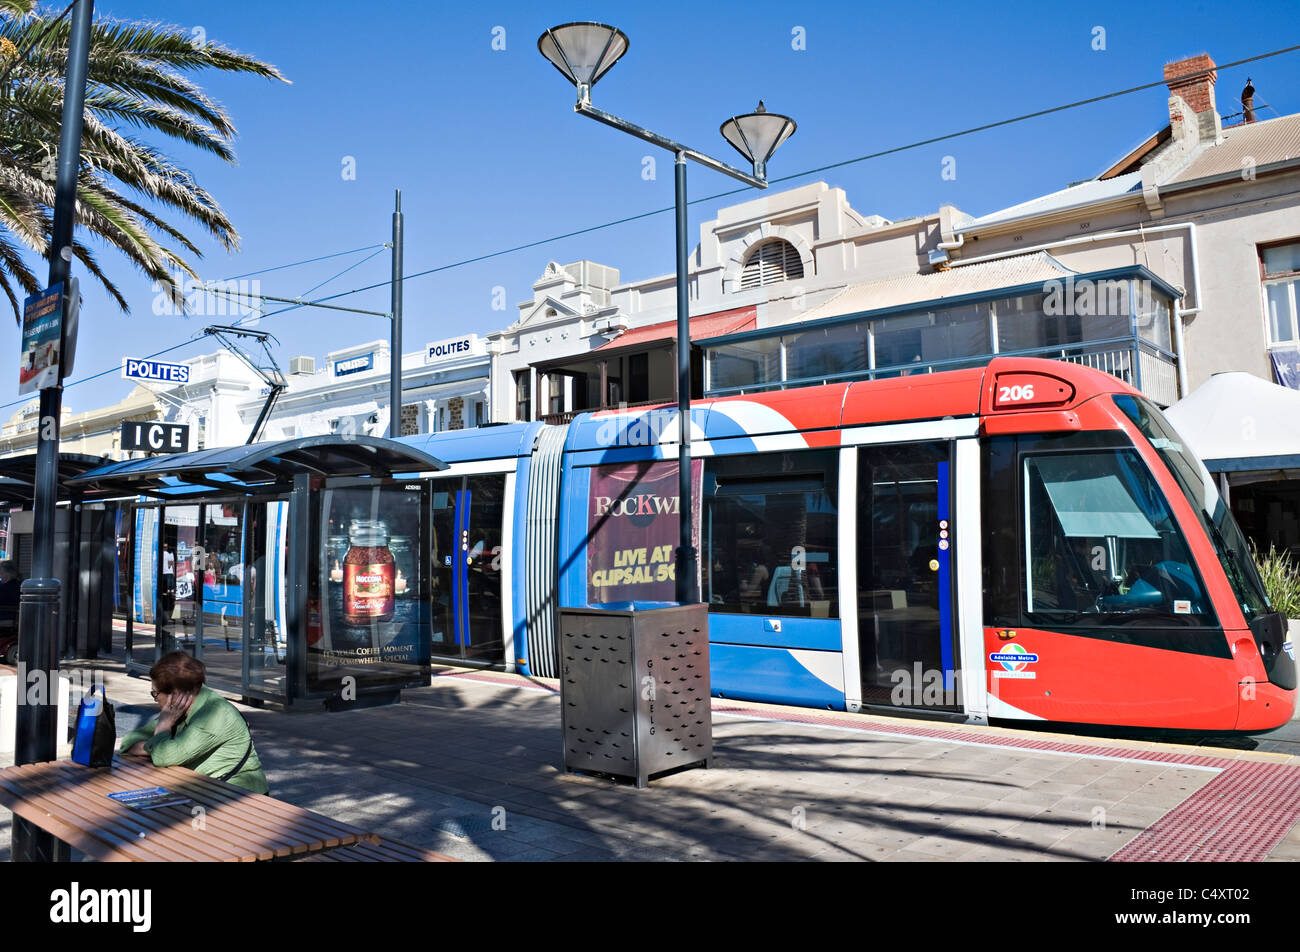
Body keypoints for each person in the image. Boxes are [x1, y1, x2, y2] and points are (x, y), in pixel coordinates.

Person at [119, 651, 269, 794]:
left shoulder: (215, 714)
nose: (155, 699)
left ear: (175, 695)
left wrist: (163, 727)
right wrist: (152, 747)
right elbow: (128, 742)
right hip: (207, 790)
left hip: (239, 796)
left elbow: (164, 756)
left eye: (155, 693)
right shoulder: (179, 710)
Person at [0, 561, 20, 627]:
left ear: (8, 574)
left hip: (4, 619)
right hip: (16, 620)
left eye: (1, 573)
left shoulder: (3, 588)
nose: (0, 576)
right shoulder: (20, 586)